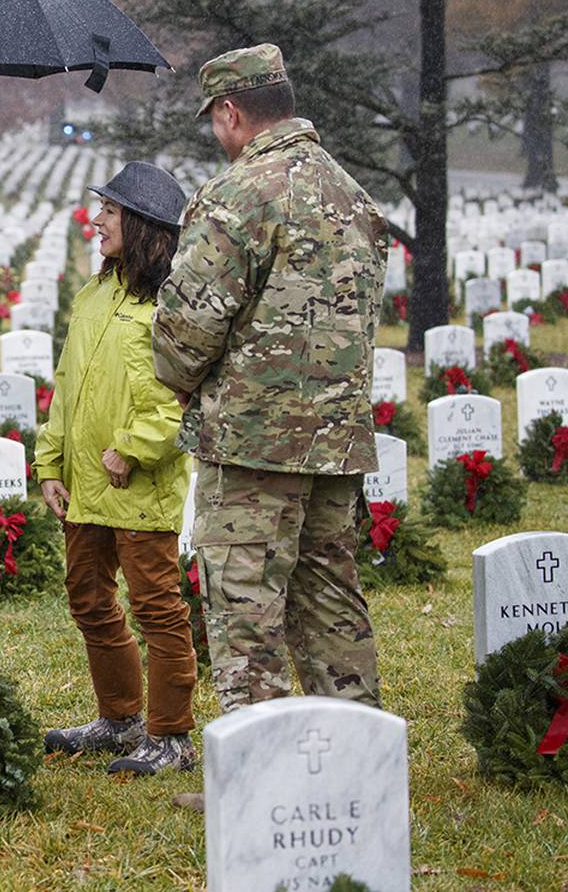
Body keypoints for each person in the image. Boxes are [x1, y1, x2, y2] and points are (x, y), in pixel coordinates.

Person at [152, 44, 386, 721]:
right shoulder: (350, 191)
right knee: (330, 602)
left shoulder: (239, 193)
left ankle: (259, 778)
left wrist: (180, 379)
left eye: (214, 118)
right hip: (336, 442)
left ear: (230, 112)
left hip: (252, 446)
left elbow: (188, 325)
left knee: (246, 610)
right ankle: (356, 755)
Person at [35, 162, 197, 775]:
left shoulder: (173, 304)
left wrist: (132, 448)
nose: (96, 220)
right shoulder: (95, 292)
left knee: (156, 606)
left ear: (146, 225)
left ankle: (172, 737)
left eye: (109, 210)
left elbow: (182, 399)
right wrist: (50, 461)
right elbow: (68, 384)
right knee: (88, 598)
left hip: (139, 483)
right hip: (84, 482)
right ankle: (120, 718)